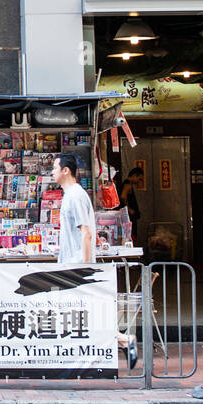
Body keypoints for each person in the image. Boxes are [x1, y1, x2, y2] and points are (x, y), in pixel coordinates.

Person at [51, 153, 137, 368]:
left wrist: (85, 266)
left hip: (77, 265)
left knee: (79, 312)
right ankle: (121, 341)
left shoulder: (75, 196)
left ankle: (123, 340)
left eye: (54, 168)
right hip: (73, 264)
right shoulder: (71, 195)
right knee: (78, 312)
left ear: (65, 171)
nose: (51, 172)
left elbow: (87, 232)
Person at [116, 166, 144, 244]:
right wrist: (129, 209)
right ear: (135, 175)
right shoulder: (127, 184)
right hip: (128, 217)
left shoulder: (128, 184)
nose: (138, 181)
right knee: (130, 236)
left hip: (128, 216)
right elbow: (123, 196)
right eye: (139, 179)